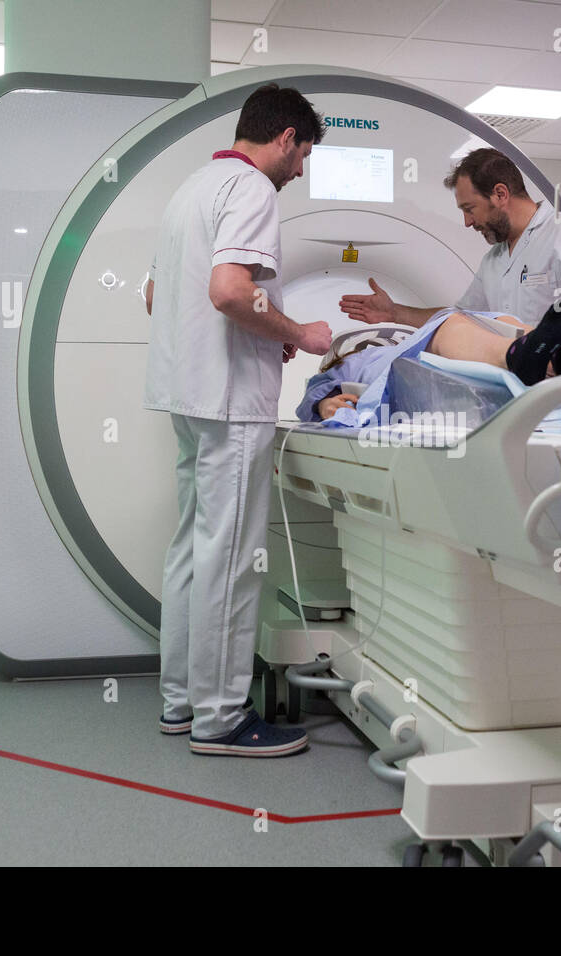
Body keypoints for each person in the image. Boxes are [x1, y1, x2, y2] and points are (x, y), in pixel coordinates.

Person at [143, 84, 331, 758]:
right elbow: (227, 292)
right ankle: (220, 719)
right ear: (284, 138)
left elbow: (156, 296)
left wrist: (263, 328)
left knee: (192, 552)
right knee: (230, 559)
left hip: (187, 395)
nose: (300, 170)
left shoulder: (191, 188)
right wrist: (297, 331)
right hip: (230, 401)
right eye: (303, 154)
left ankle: (180, 704)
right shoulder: (252, 190)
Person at [338, 148, 561, 373]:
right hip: (515, 397)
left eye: (470, 208)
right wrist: (395, 312)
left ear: (500, 194)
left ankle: (540, 354)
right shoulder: (494, 260)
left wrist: (560, 360)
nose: (468, 222)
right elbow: (460, 319)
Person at [301, 288, 561, 423]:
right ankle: (532, 356)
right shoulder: (350, 363)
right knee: (448, 324)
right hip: (401, 372)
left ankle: (554, 354)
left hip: (439, 350)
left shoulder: (412, 339)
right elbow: (310, 398)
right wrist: (325, 402)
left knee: (477, 319)